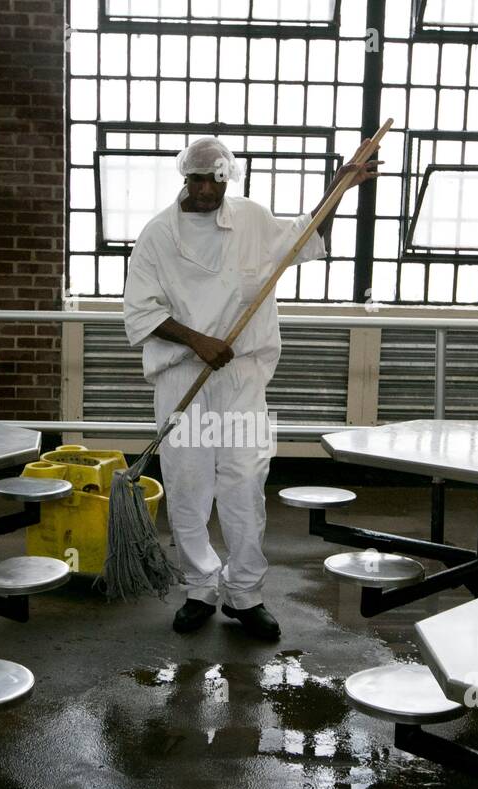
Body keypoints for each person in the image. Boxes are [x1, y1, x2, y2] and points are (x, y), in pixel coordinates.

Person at [123, 136, 380, 639]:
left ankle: (245, 594)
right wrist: (197, 340)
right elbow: (141, 311)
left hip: (241, 377)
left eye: (214, 180)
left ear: (227, 179)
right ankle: (200, 588)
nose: (204, 189)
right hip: (184, 379)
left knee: (243, 483)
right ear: (184, 178)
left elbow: (302, 236)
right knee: (189, 486)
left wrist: (339, 187)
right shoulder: (157, 235)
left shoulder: (252, 220)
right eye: (196, 179)